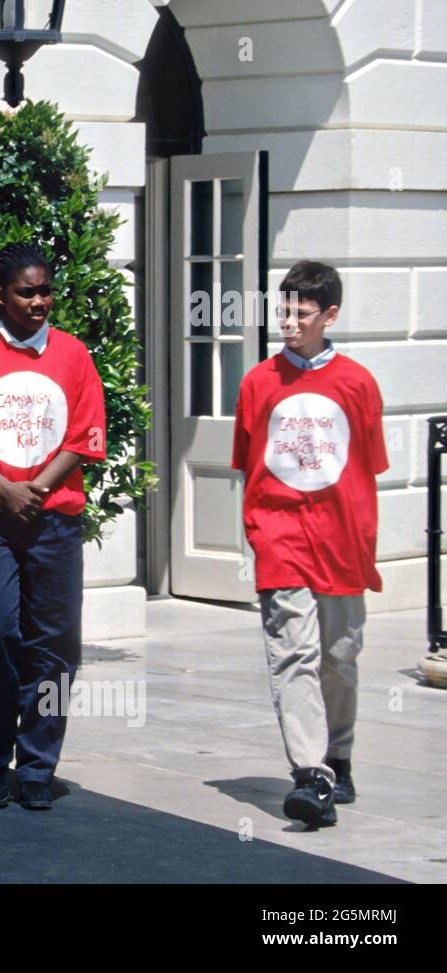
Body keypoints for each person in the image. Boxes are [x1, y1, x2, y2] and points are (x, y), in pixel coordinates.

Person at [0, 243, 106, 812]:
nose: (40, 301)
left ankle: (37, 764)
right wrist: (4, 488)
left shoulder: (73, 355)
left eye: (45, 290)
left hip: (53, 519)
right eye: (26, 291)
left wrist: (36, 488)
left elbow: (85, 436)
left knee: (54, 644)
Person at [232, 260, 386, 828]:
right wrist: (253, 533)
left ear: (330, 315)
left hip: (342, 539)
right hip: (280, 537)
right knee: (293, 653)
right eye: (285, 311)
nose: (290, 322)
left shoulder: (358, 382)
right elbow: (248, 464)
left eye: (302, 313)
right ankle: (311, 773)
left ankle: (338, 755)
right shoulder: (258, 382)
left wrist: (366, 544)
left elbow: (368, 467)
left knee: (340, 658)